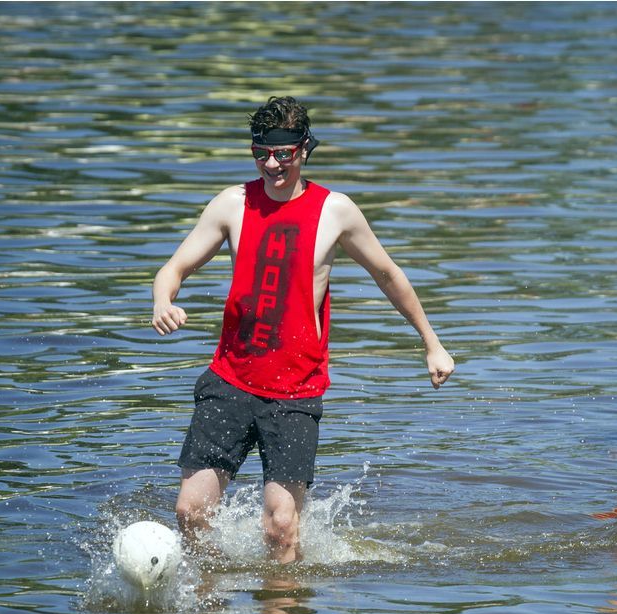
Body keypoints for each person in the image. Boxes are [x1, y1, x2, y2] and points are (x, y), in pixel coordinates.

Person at [151, 96, 455, 563]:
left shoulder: (336, 211)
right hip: (230, 379)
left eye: (283, 154)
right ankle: (208, 603)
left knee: (280, 527)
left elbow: (389, 275)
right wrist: (162, 300)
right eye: (261, 153)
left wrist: (431, 343)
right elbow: (173, 268)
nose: (271, 164)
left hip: (295, 391)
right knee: (191, 512)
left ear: (304, 149)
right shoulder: (232, 204)